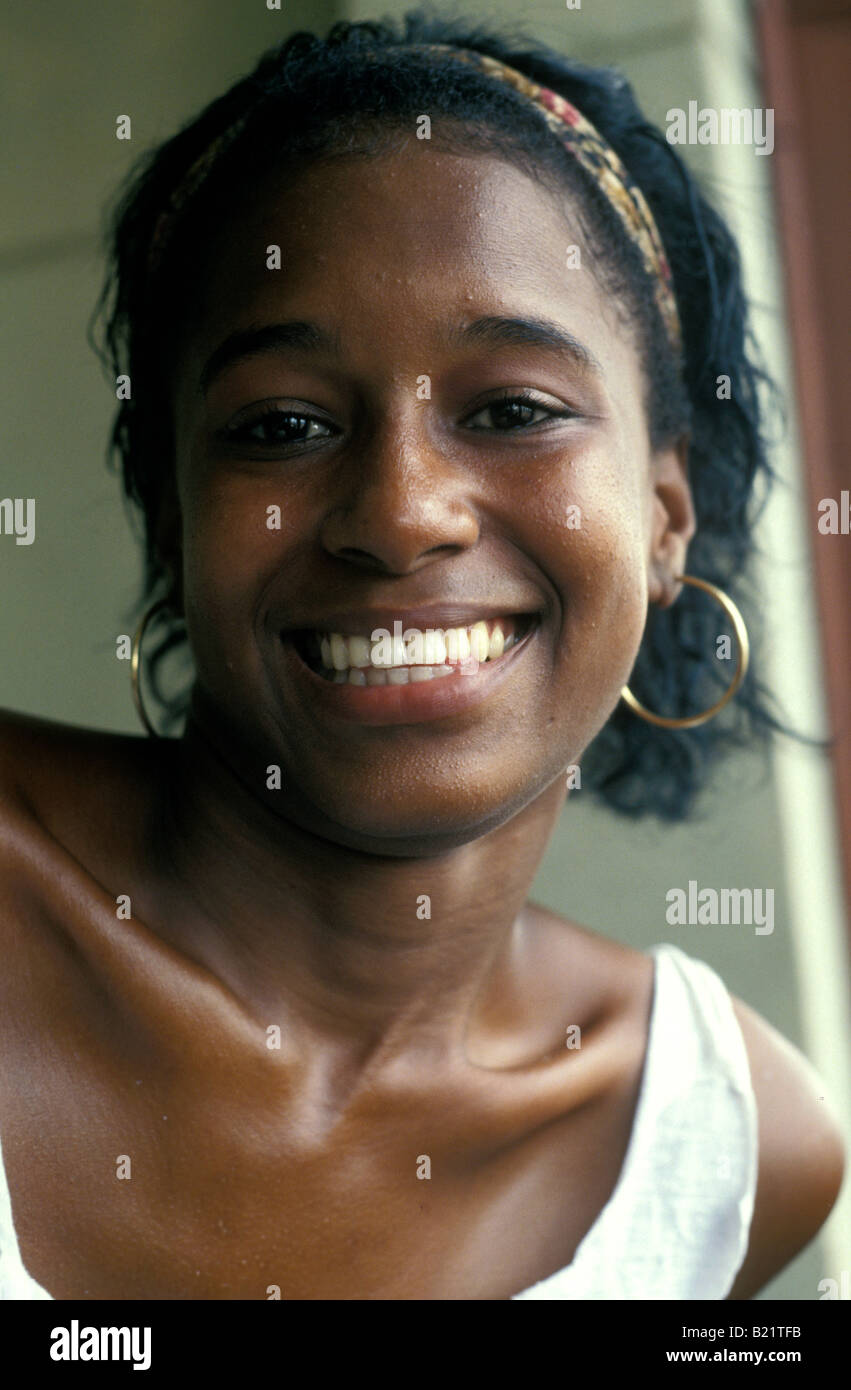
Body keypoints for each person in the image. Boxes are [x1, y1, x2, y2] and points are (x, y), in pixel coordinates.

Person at [0, 9, 844, 1300]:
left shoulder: (721, 1144)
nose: (400, 512)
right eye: (282, 423)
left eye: (511, 409)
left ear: (666, 520)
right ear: (172, 524)